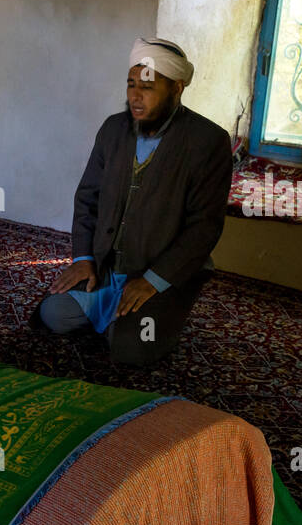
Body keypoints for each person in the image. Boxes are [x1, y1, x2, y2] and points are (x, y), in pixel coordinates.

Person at [34, 38, 231, 366]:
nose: (135, 96)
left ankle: (138, 315)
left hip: (160, 274)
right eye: (131, 85)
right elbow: (87, 198)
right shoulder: (114, 129)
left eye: (148, 88)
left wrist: (152, 281)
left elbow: (204, 226)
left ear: (176, 89)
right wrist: (84, 258)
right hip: (105, 268)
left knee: (134, 348)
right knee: (53, 314)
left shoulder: (207, 142)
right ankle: (112, 313)